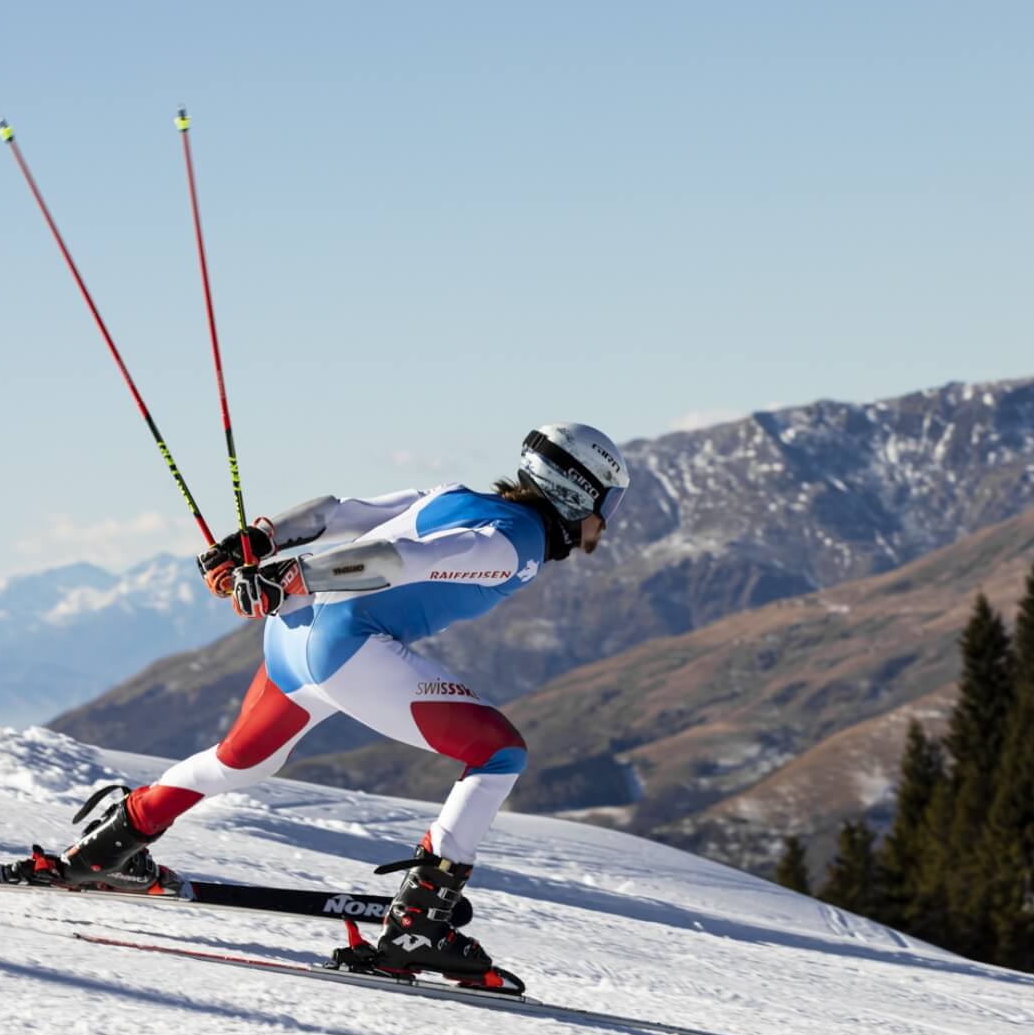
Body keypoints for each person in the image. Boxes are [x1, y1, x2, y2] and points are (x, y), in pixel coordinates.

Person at [34, 424, 628, 992]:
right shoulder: (516, 544)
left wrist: (259, 542)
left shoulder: (454, 495)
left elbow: (338, 512)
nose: (607, 523)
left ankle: (108, 848)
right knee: (499, 753)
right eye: (607, 503)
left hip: (292, 635)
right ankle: (419, 928)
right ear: (576, 494)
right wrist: (295, 576)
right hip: (344, 646)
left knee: (239, 761)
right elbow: (401, 558)